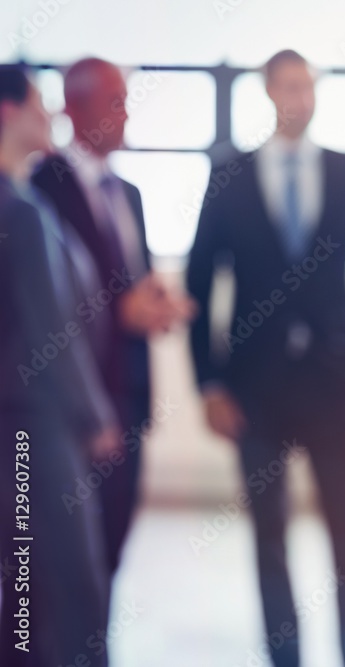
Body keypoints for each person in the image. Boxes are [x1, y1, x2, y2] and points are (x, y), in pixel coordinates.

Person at [185, 49, 345, 667]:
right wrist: (207, 382)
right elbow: (199, 282)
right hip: (252, 390)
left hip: (330, 385)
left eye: (308, 87)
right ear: (268, 92)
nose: (299, 98)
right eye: (288, 87)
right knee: (268, 535)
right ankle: (284, 657)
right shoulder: (229, 175)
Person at [31, 57, 193, 576]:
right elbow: (39, 301)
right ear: (75, 110)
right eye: (114, 101)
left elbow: (128, 283)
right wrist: (116, 311)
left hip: (129, 398)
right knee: (61, 564)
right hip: (69, 403)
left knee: (113, 546)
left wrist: (155, 303)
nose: (125, 115)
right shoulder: (39, 189)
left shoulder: (130, 194)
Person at [0, 65, 116, 667]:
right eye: (39, 106)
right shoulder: (18, 211)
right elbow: (54, 330)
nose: (50, 118)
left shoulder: (22, 202)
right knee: (73, 586)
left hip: (19, 426)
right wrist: (96, 415)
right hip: (34, 431)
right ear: (6, 112)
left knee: (20, 587)